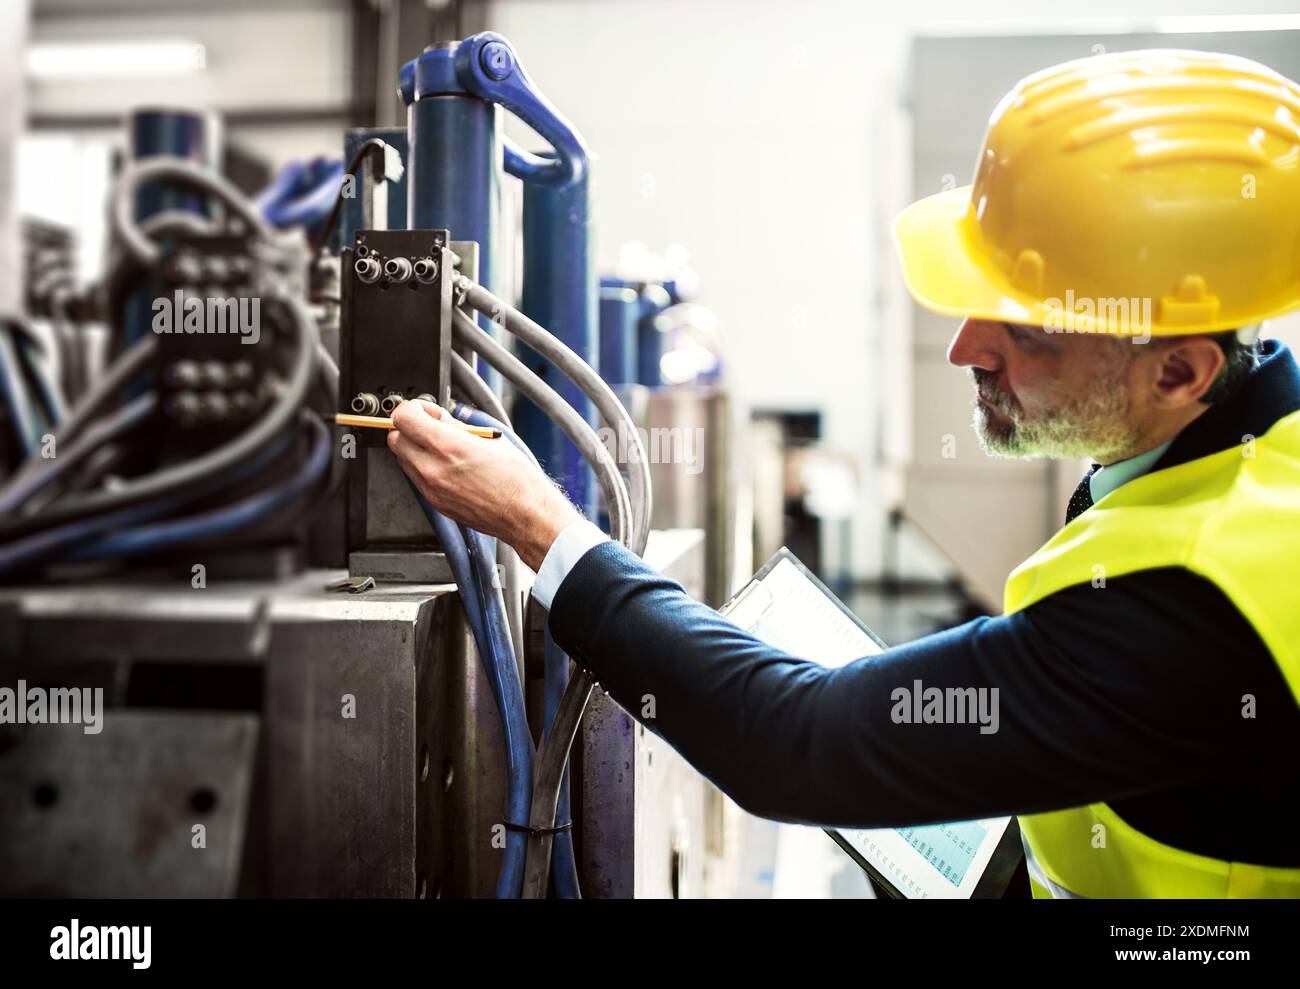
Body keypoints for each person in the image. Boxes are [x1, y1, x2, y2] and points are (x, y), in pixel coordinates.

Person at [388, 49, 1300, 898]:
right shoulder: (1242, 459)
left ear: (1179, 372)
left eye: (1022, 327)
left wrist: (540, 524)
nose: (961, 347)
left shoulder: (1198, 593)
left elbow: (797, 741)